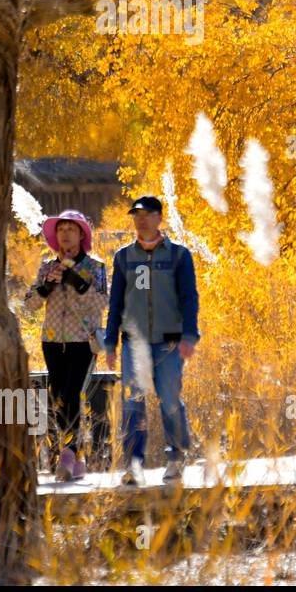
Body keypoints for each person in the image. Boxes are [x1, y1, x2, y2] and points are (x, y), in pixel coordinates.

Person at [103, 195, 200, 485]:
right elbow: (116, 301)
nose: (140, 219)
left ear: (159, 217)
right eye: (136, 215)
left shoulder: (179, 255)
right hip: (134, 342)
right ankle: (133, 465)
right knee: (133, 403)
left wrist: (190, 335)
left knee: (170, 400)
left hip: (169, 343)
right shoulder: (123, 257)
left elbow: (189, 298)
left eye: (146, 214)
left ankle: (176, 457)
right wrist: (110, 342)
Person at [23, 210, 108, 481]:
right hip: (51, 341)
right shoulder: (48, 266)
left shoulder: (95, 266)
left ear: (82, 234)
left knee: (72, 394)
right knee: (59, 399)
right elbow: (30, 304)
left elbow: (102, 303)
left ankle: (67, 455)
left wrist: (77, 283)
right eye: (61, 230)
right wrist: (46, 286)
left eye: (71, 229)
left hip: (83, 342)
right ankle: (76, 458)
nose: (65, 234)